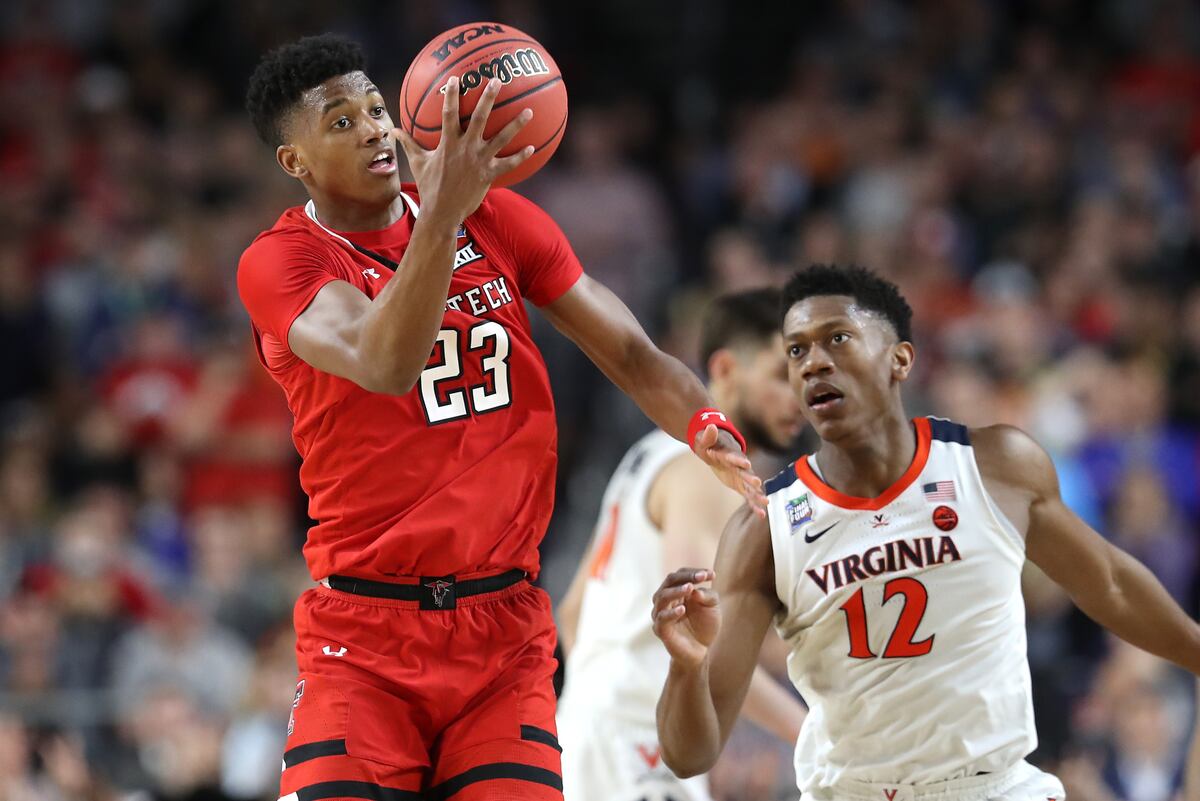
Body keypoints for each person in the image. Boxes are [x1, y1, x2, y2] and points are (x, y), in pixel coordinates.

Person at [237, 34, 763, 801]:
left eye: (377, 109)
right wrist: (443, 215)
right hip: (366, 632)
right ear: (297, 163)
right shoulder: (283, 262)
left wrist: (707, 425)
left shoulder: (500, 219)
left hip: (503, 628)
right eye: (341, 121)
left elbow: (634, 354)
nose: (376, 129)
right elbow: (385, 361)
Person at [652, 264, 1200, 801]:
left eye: (836, 339)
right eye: (796, 350)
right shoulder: (764, 526)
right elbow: (690, 754)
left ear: (900, 359)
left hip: (996, 787)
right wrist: (686, 665)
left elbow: (1110, 584)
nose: (814, 362)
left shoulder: (995, 465)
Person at [555, 288, 807, 801]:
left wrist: (599, 705)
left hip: (594, 734)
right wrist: (812, 736)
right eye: (781, 375)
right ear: (726, 369)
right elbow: (704, 641)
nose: (796, 398)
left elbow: (574, 611)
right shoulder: (702, 470)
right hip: (637, 743)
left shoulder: (651, 453)